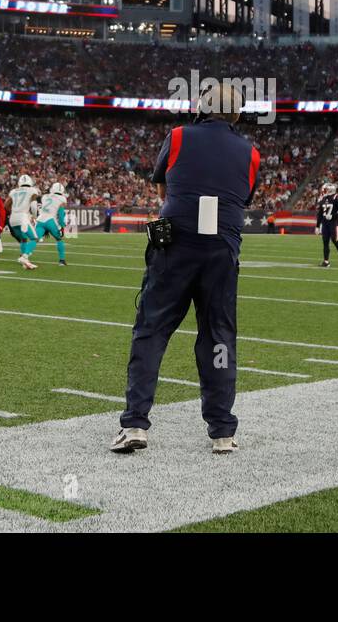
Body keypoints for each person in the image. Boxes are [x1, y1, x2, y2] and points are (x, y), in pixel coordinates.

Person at [112, 83, 259, 456]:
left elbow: (163, 186)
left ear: (200, 108)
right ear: (237, 114)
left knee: (151, 330)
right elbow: (242, 196)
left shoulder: (178, 136)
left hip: (175, 245)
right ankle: (222, 430)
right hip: (221, 252)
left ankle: (135, 424)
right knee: (219, 338)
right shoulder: (250, 152)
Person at [317, 182, 338, 267]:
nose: (323, 191)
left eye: (325, 189)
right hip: (325, 223)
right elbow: (320, 213)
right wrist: (317, 225)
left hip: (333, 223)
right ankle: (326, 261)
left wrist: (333, 216)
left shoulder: (336, 198)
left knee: (335, 241)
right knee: (325, 242)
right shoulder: (323, 199)